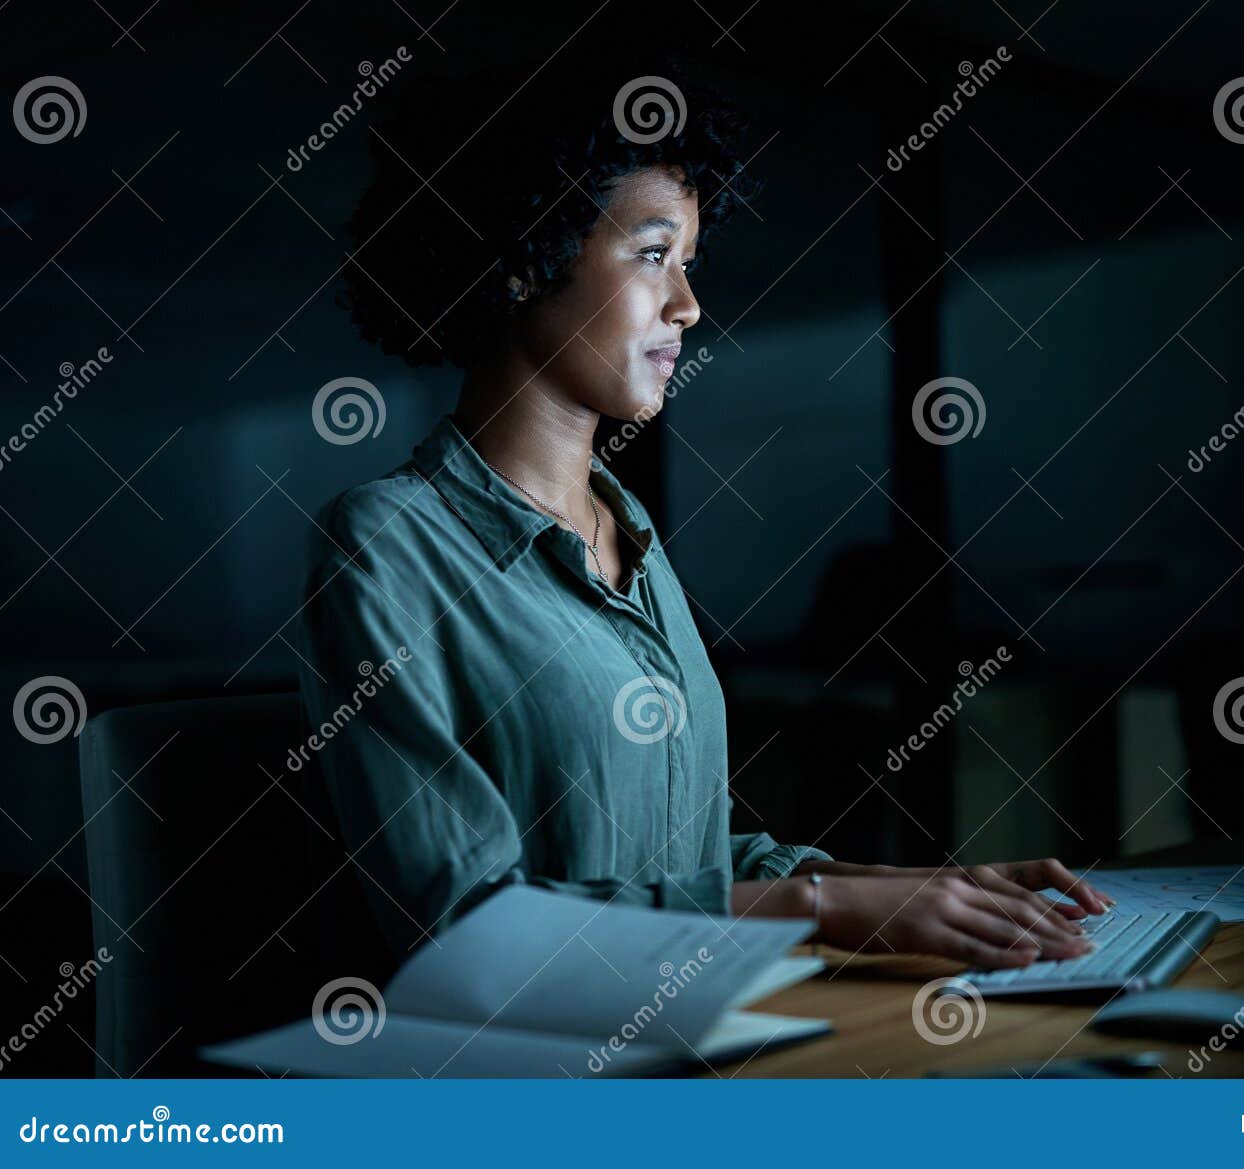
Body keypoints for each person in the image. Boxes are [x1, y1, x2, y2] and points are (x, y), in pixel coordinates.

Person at [296, 59, 1110, 977]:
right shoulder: (385, 545)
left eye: (688, 263)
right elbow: (466, 929)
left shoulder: (629, 526)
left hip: (700, 1024)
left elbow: (689, 863)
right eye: (653, 255)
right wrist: (820, 906)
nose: (688, 305)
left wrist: (917, 892)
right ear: (527, 259)